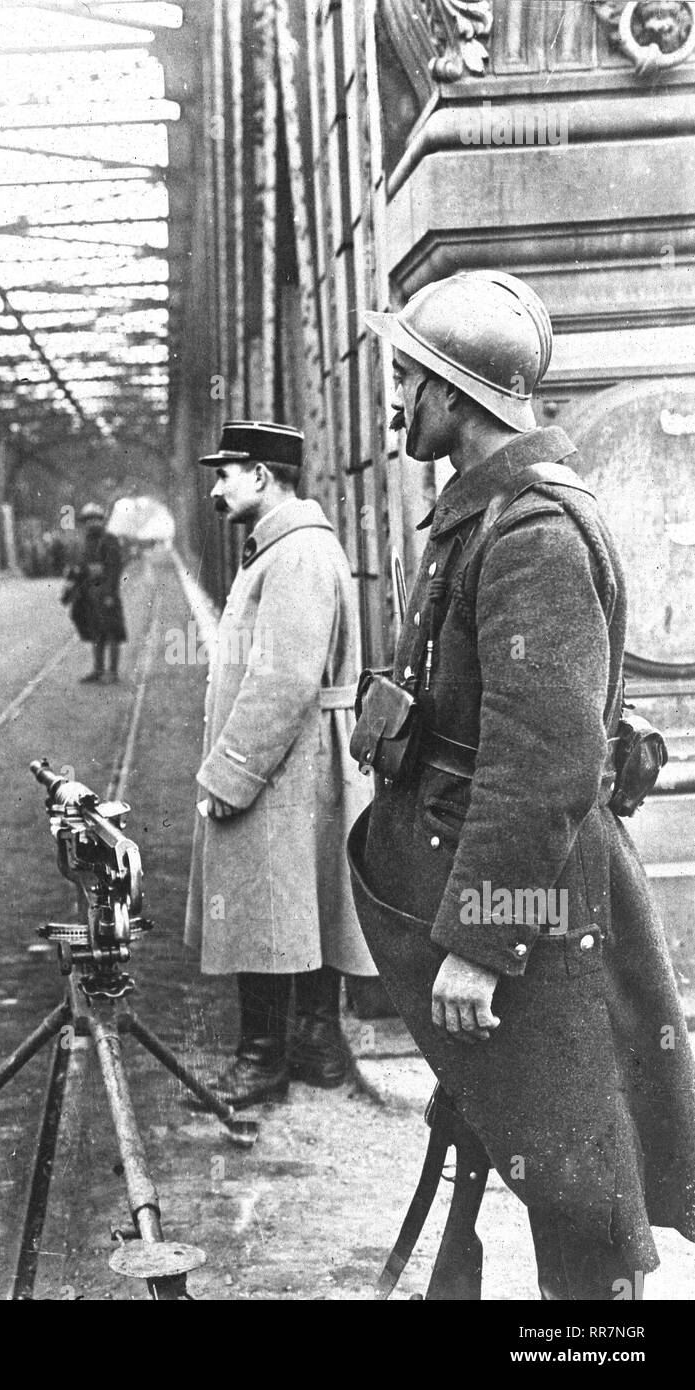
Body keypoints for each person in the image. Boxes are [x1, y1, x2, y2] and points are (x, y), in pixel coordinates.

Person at [348, 271, 695, 1298]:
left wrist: (476, 946)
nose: (397, 399)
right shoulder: (489, 517)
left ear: (456, 394)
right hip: (514, 889)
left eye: (410, 377)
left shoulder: (531, 533)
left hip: (535, 905)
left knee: (580, 1184)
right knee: (550, 1154)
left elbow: (535, 770)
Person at [184, 420, 377, 1108]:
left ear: (262, 477)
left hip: (285, 761)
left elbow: (284, 680)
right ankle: (314, 1048)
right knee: (304, 901)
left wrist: (230, 775)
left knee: (264, 904)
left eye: (225, 473)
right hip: (303, 757)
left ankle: (262, 1060)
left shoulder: (293, 555)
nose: (216, 487)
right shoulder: (287, 547)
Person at [63, 503, 127, 684]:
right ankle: (98, 670)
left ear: (101, 520)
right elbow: (80, 566)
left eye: (95, 519)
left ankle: (112, 672)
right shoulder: (85, 542)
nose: (92, 523)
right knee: (95, 632)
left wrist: (109, 594)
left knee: (112, 632)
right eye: (88, 520)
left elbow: (114, 569)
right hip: (88, 593)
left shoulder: (110, 540)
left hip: (105, 592)